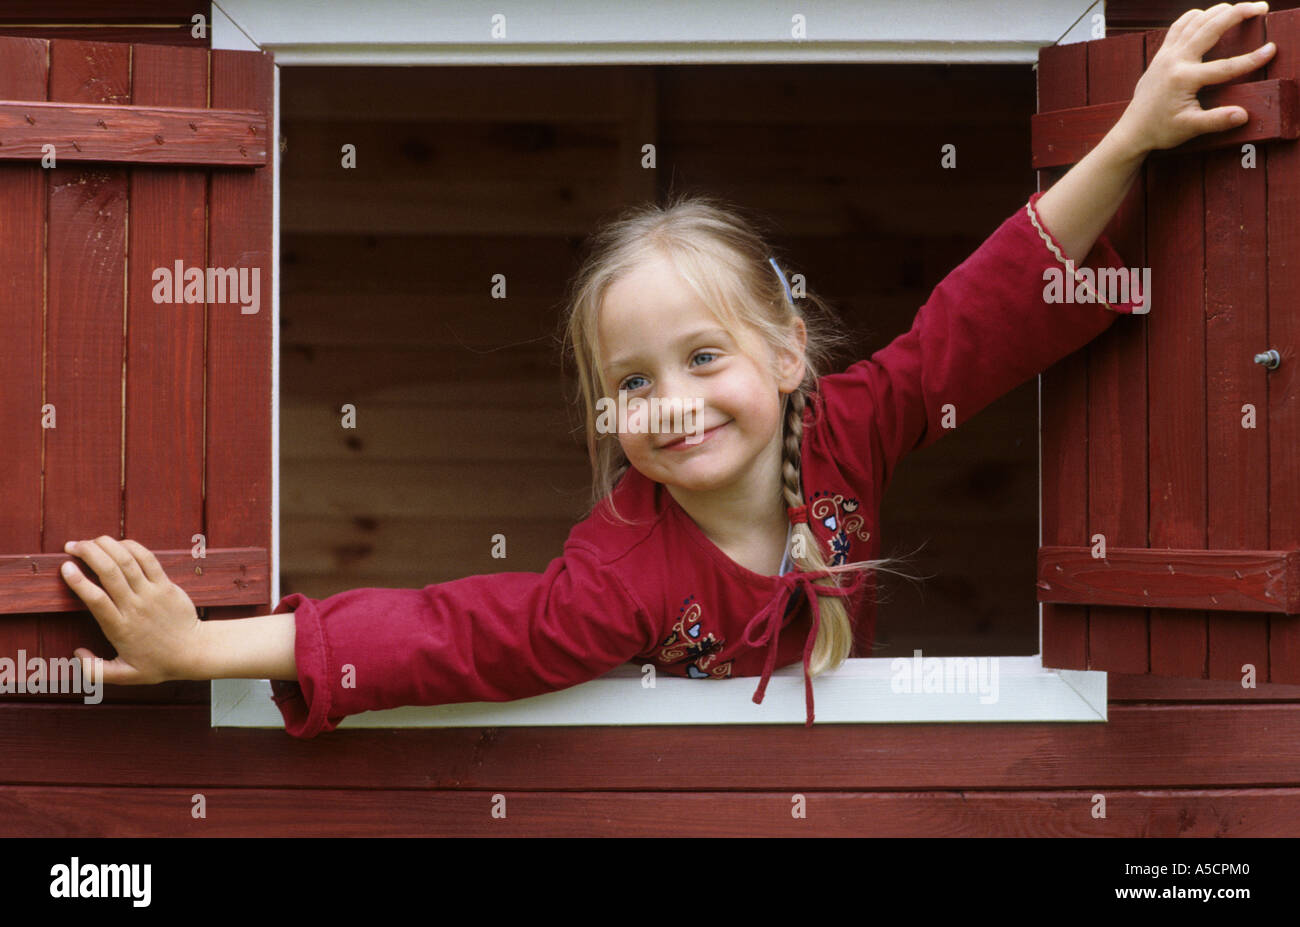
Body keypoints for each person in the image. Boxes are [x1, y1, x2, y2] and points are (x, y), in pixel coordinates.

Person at [58, 3, 1277, 738]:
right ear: (606, 411)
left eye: (703, 355)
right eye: (633, 380)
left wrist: (1129, 134)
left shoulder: (852, 426)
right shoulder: (622, 573)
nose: (673, 399)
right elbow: (449, 634)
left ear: (790, 354)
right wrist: (199, 651)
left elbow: (986, 315)